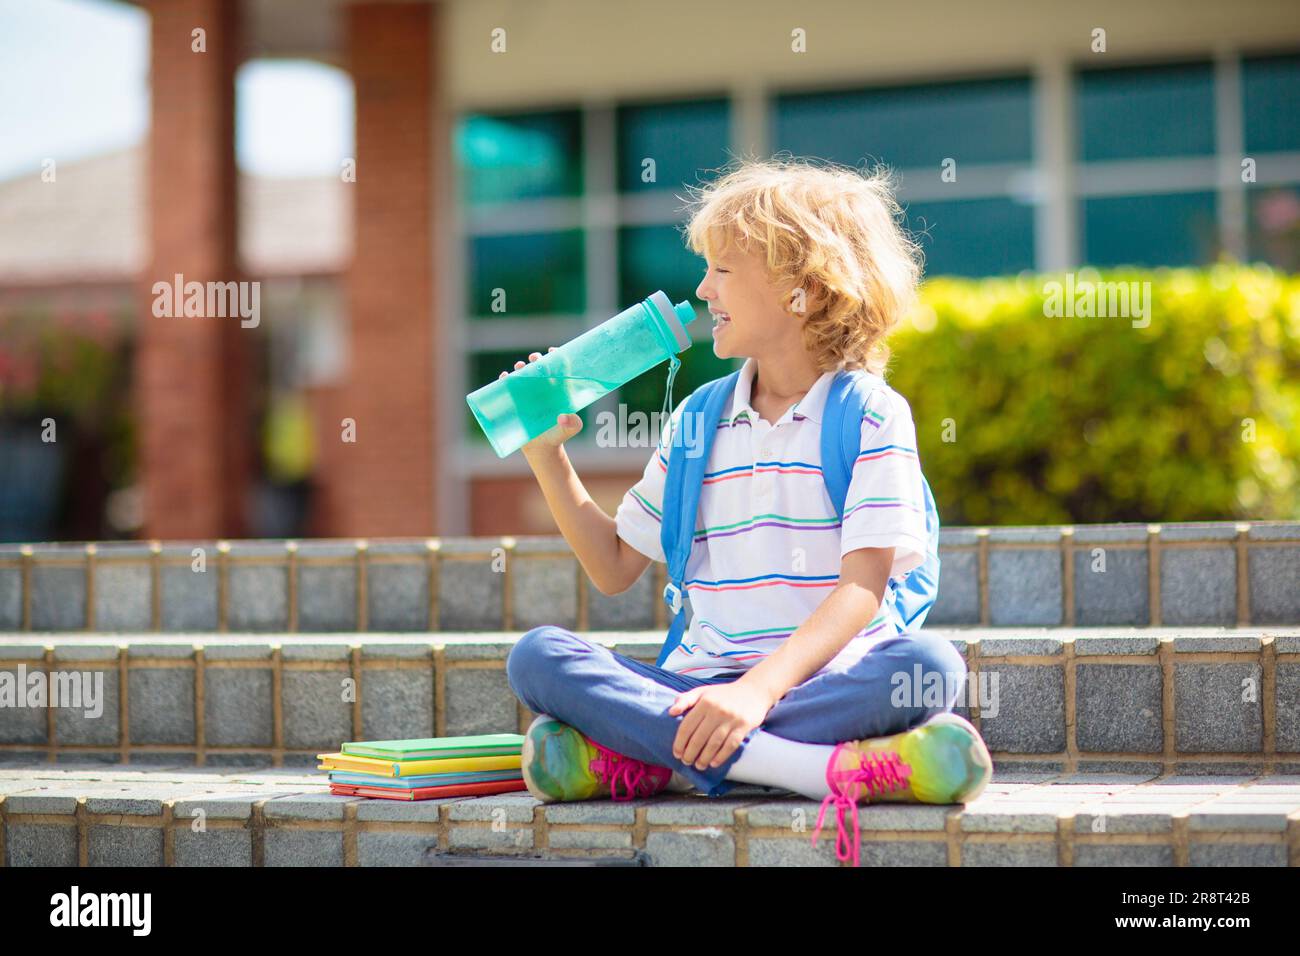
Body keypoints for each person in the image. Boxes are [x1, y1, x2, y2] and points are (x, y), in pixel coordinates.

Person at [500, 156, 992, 866]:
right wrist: (547, 453)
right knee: (539, 656)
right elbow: (612, 567)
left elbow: (863, 590)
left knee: (928, 666)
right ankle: (816, 769)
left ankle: (661, 765)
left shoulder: (870, 414)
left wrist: (756, 694)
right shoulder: (700, 419)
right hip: (697, 687)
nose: (702, 289)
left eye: (724, 270)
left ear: (804, 290)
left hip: (819, 682)